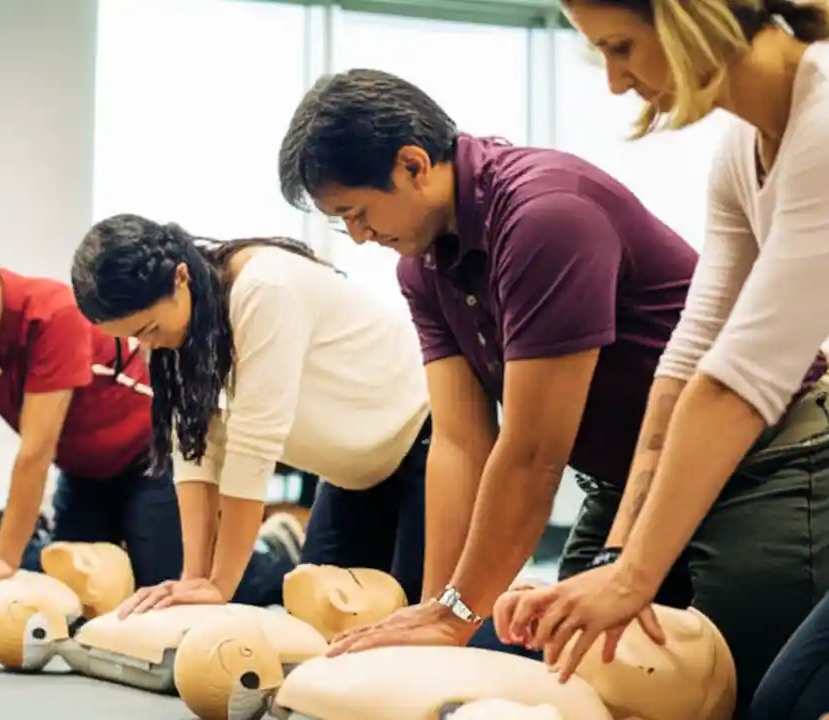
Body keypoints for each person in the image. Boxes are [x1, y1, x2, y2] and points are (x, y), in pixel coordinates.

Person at [278, 62, 829, 708]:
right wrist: (434, 616)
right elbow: (461, 444)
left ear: (413, 165)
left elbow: (535, 451)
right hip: (629, 480)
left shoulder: (545, 216)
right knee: (556, 661)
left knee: (727, 688)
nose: (360, 236)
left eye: (358, 213)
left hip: (765, 462)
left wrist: (457, 611)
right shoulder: (422, 271)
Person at [492, 1, 829, 716]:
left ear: (691, 17)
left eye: (621, 47)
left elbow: (741, 378)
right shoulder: (744, 142)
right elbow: (691, 354)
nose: (616, 83)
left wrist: (635, 577)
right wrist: (620, 560)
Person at [70, 213, 432, 617]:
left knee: (414, 623)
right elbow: (194, 451)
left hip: (423, 445)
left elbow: (252, 447)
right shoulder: (184, 328)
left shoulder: (264, 288)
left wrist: (221, 586)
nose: (146, 345)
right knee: (319, 621)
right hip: (353, 475)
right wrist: (195, 578)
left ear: (180, 277)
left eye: (149, 328)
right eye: (132, 336)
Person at [0, 232, 302, 597]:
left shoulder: (51, 313)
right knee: (73, 589)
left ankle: (275, 554)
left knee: (168, 583)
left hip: (146, 458)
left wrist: (3, 559)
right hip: (83, 472)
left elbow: (36, 448)